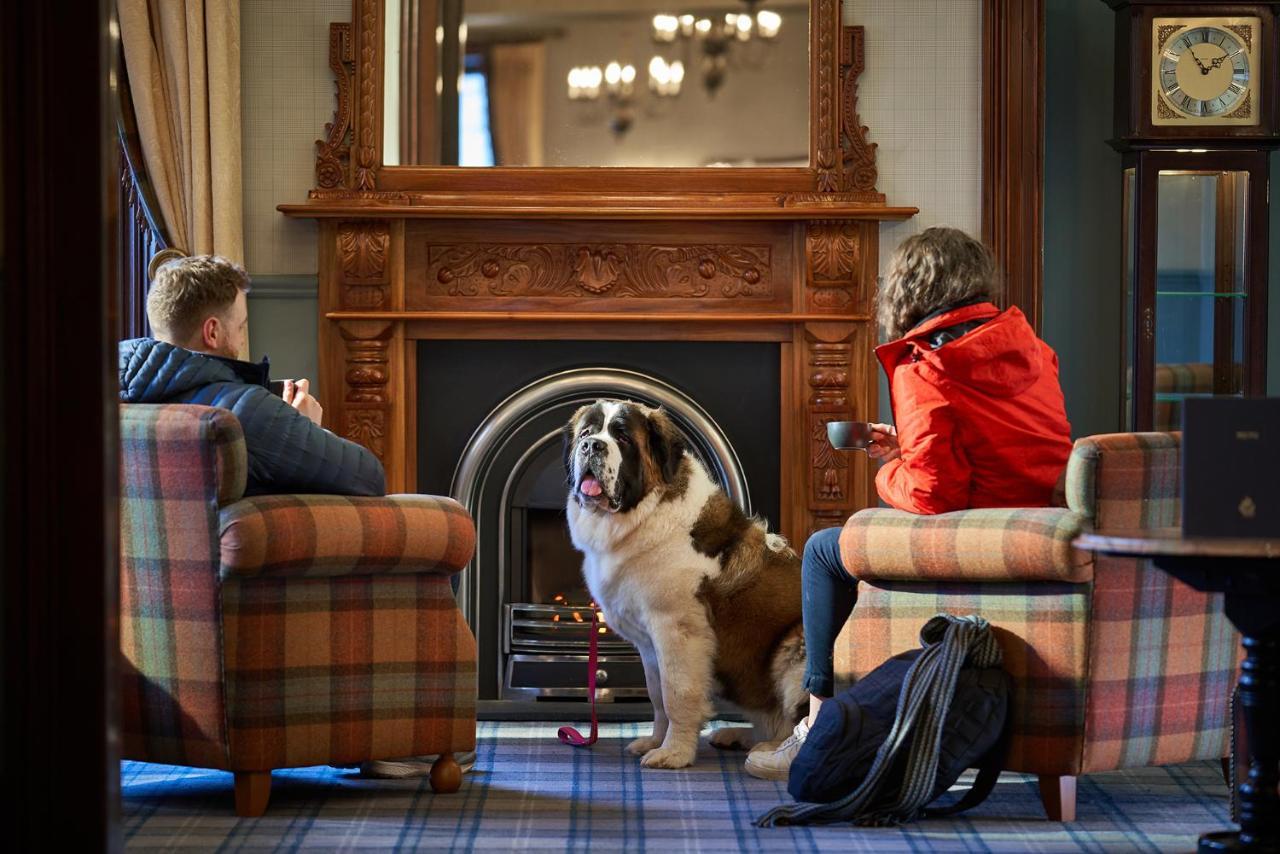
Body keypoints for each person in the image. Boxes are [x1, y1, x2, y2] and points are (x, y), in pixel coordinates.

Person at [745, 227, 1073, 781]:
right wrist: (909, 446)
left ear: (906, 289)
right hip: (1040, 524)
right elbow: (1005, 442)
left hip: (976, 528)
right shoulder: (1034, 349)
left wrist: (887, 471)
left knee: (826, 549)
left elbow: (931, 494)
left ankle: (815, 726)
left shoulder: (925, 366)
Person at [118, 254, 385, 496]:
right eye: (241, 326)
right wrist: (309, 427)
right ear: (212, 332)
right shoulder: (249, 412)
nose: (242, 340)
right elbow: (370, 477)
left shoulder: (113, 399)